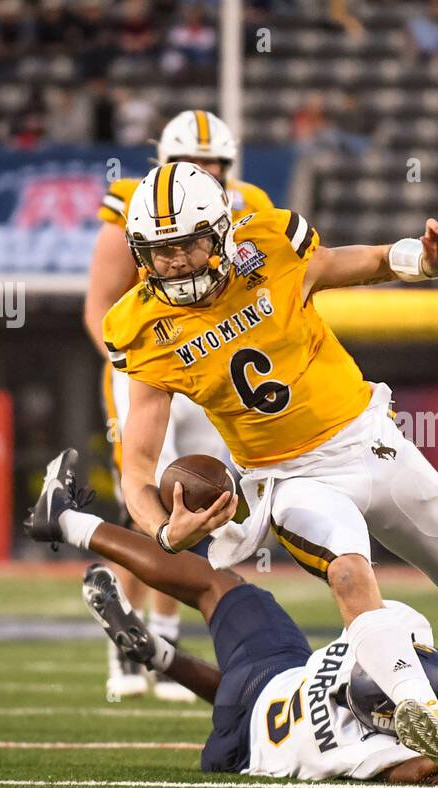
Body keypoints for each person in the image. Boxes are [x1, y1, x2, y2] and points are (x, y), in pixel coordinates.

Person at [102, 162, 438, 773]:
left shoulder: (269, 249)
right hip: (289, 477)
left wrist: (424, 262)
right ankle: (417, 707)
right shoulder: (142, 329)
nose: (175, 262)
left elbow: (359, 262)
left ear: (221, 233)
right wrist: (161, 529)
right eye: (159, 251)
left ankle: (419, 676)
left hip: (370, 438)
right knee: (349, 573)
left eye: (186, 244)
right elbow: (138, 467)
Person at [26, 449, 438, 782]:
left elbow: (431, 769)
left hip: (264, 703)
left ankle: (70, 523)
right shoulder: (381, 739)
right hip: (250, 731)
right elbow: (434, 771)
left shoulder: (384, 687)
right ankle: (155, 653)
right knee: (240, 677)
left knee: (215, 587)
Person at [85, 108, 273, 702]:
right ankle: (123, 647)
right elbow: (100, 305)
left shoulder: (246, 204)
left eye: (213, 163)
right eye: (191, 162)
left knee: (187, 497)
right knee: (137, 504)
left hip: (213, 369)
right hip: (148, 371)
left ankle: (163, 638)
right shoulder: (130, 204)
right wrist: (136, 368)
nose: (202, 172)